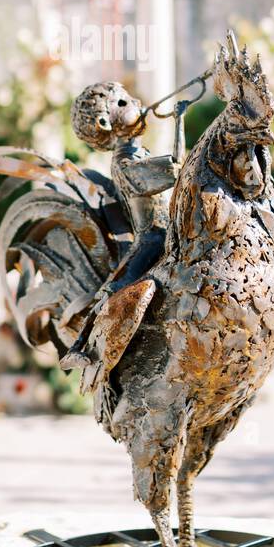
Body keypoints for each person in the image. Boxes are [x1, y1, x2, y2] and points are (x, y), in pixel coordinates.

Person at [61, 80, 188, 373]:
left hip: (170, 231)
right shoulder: (126, 161)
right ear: (107, 123)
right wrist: (180, 119)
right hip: (152, 240)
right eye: (123, 104)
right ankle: (80, 346)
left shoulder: (139, 154)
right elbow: (174, 169)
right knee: (117, 288)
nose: (136, 104)